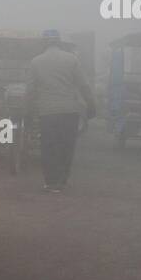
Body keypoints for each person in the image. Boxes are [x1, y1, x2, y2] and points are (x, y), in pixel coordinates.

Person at [25, 29, 95, 192]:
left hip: (48, 112)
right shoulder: (72, 59)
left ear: (44, 43)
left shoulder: (36, 62)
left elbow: (30, 91)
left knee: (49, 147)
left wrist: (28, 112)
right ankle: (62, 180)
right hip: (70, 111)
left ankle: (51, 182)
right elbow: (84, 85)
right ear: (59, 42)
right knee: (66, 146)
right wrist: (91, 105)